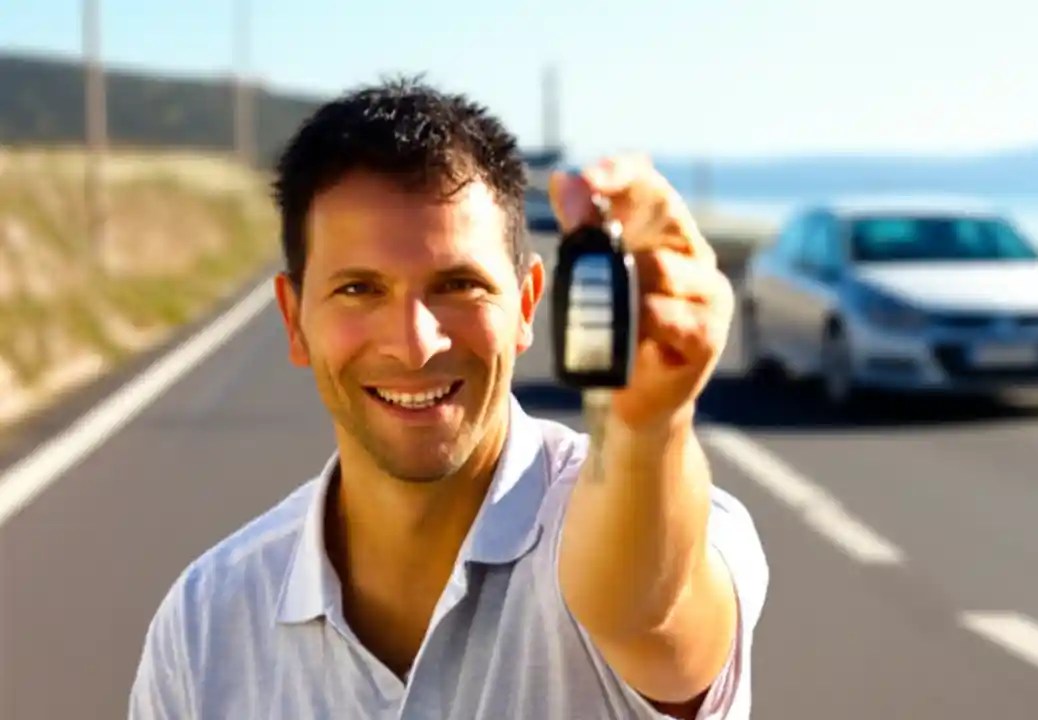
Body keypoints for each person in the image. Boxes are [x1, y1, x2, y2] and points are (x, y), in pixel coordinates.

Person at [127, 76, 768, 719]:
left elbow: (645, 606)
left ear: (525, 304)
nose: (414, 343)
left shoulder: (653, 523)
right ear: (294, 320)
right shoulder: (204, 626)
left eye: (458, 284)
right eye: (359, 289)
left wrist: (647, 425)